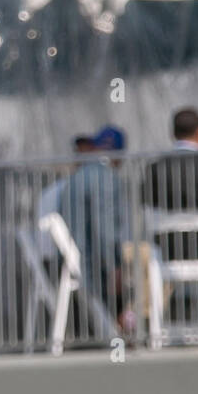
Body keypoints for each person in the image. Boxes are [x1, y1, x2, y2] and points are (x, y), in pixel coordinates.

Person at [58, 125, 129, 315]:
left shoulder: (75, 177)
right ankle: (137, 328)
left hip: (72, 263)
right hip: (94, 269)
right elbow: (104, 231)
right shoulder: (106, 177)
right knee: (147, 261)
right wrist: (114, 267)